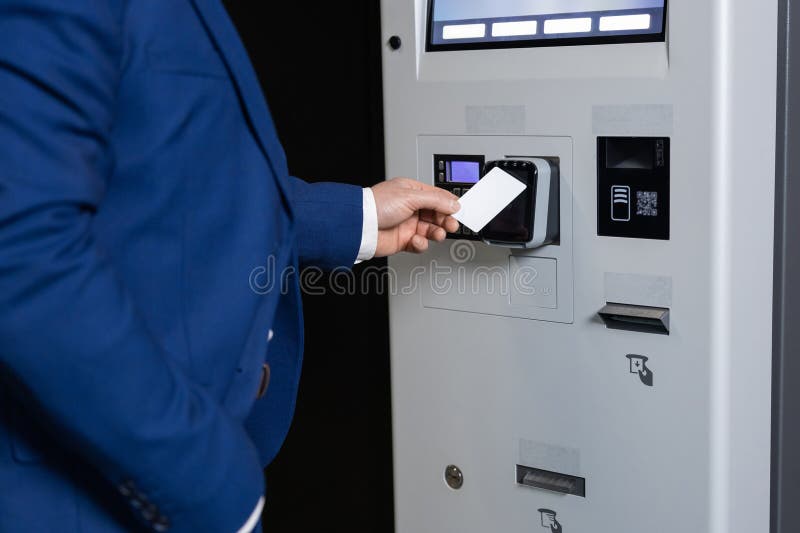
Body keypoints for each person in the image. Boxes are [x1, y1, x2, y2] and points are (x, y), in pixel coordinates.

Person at [0, 1, 459, 532]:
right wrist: (208, 484)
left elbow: (163, 177)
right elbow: (21, 256)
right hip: (101, 492)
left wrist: (354, 215)